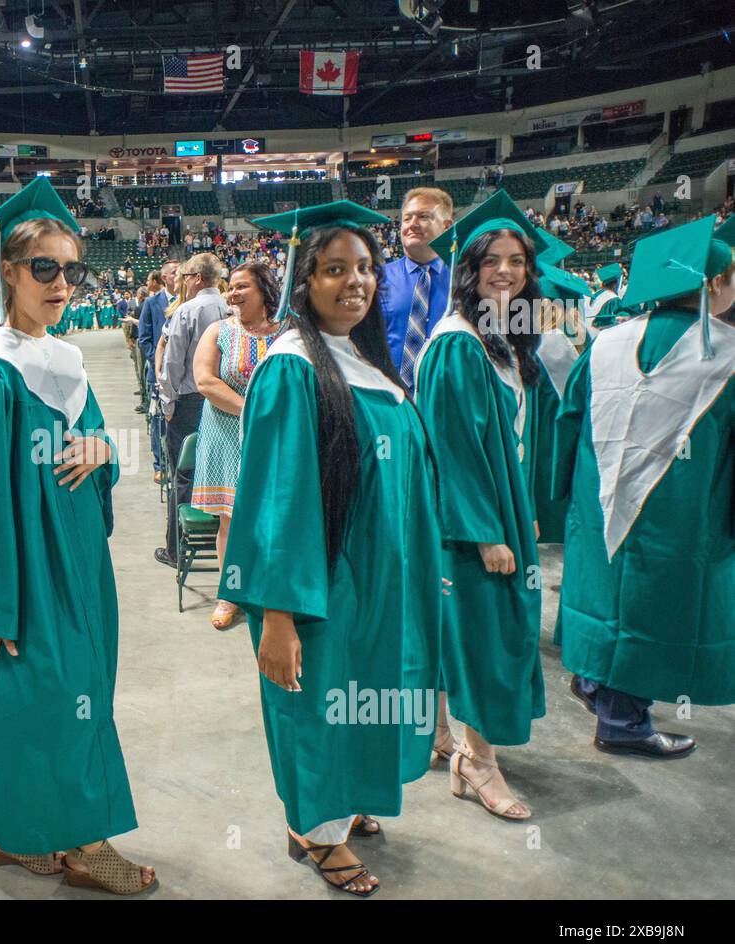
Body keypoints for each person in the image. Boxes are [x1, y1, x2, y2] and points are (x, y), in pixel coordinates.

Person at [0, 178, 154, 894]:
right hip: (25, 571)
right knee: (42, 696)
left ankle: (16, 833)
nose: (60, 283)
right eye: (43, 268)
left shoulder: (67, 360)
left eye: (71, 269)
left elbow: (90, 448)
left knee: (76, 692)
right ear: (9, 273)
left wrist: (107, 450)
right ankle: (83, 843)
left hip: (79, 560)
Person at [219, 201, 442, 897]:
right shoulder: (292, 367)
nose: (357, 281)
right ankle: (314, 832)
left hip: (380, 582)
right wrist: (278, 616)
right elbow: (277, 501)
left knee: (370, 693)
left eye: (367, 268)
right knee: (320, 703)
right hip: (323, 589)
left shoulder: (367, 364)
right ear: (303, 281)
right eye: (335, 269)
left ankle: (348, 799)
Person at [559, 216, 735, 756]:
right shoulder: (727, 353)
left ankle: (593, 680)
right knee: (651, 602)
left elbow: (567, 421)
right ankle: (623, 722)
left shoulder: (607, 342)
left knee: (607, 590)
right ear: (713, 285)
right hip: (682, 516)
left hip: (596, 505)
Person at [414, 190, 562, 820]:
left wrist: (520, 509)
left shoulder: (498, 339)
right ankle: (480, 762)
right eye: (492, 260)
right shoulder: (456, 343)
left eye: (518, 261)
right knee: (484, 639)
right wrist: (485, 532)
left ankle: (456, 751)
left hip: (498, 516)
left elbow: (511, 438)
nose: (506, 270)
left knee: (471, 636)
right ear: (468, 270)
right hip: (469, 528)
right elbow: (454, 448)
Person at [191, 261, 284, 630]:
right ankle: (230, 594)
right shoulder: (219, 330)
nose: (233, 293)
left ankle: (270, 588)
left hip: (277, 436)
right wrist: (252, 413)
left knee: (275, 517)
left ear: (264, 290)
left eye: (242, 286)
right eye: (231, 286)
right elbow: (205, 381)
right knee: (231, 519)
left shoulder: (287, 333)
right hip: (227, 435)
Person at [155, 252, 229, 568]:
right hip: (225, 400)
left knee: (183, 474)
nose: (182, 282)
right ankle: (222, 542)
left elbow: (173, 363)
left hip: (190, 400)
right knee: (223, 472)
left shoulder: (187, 310)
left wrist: (166, 402)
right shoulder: (232, 307)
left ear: (197, 277)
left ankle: (178, 550)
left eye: (185, 276)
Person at [379, 187, 453, 395]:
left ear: (446, 226)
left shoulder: (463, 280)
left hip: (446, 397)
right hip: (391, 399)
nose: (412, 224)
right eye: (407, 218)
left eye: (423, 217)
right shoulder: (377, 279)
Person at [138, 262, 177, 483]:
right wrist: (159, 363)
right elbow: (145, 338)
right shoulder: (152, 303)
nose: (179, 275)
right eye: (174, 272)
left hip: (182, 375)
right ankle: (159, 465)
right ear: (164, 278)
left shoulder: (186, 302)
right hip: (158, 374)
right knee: (159, 421)